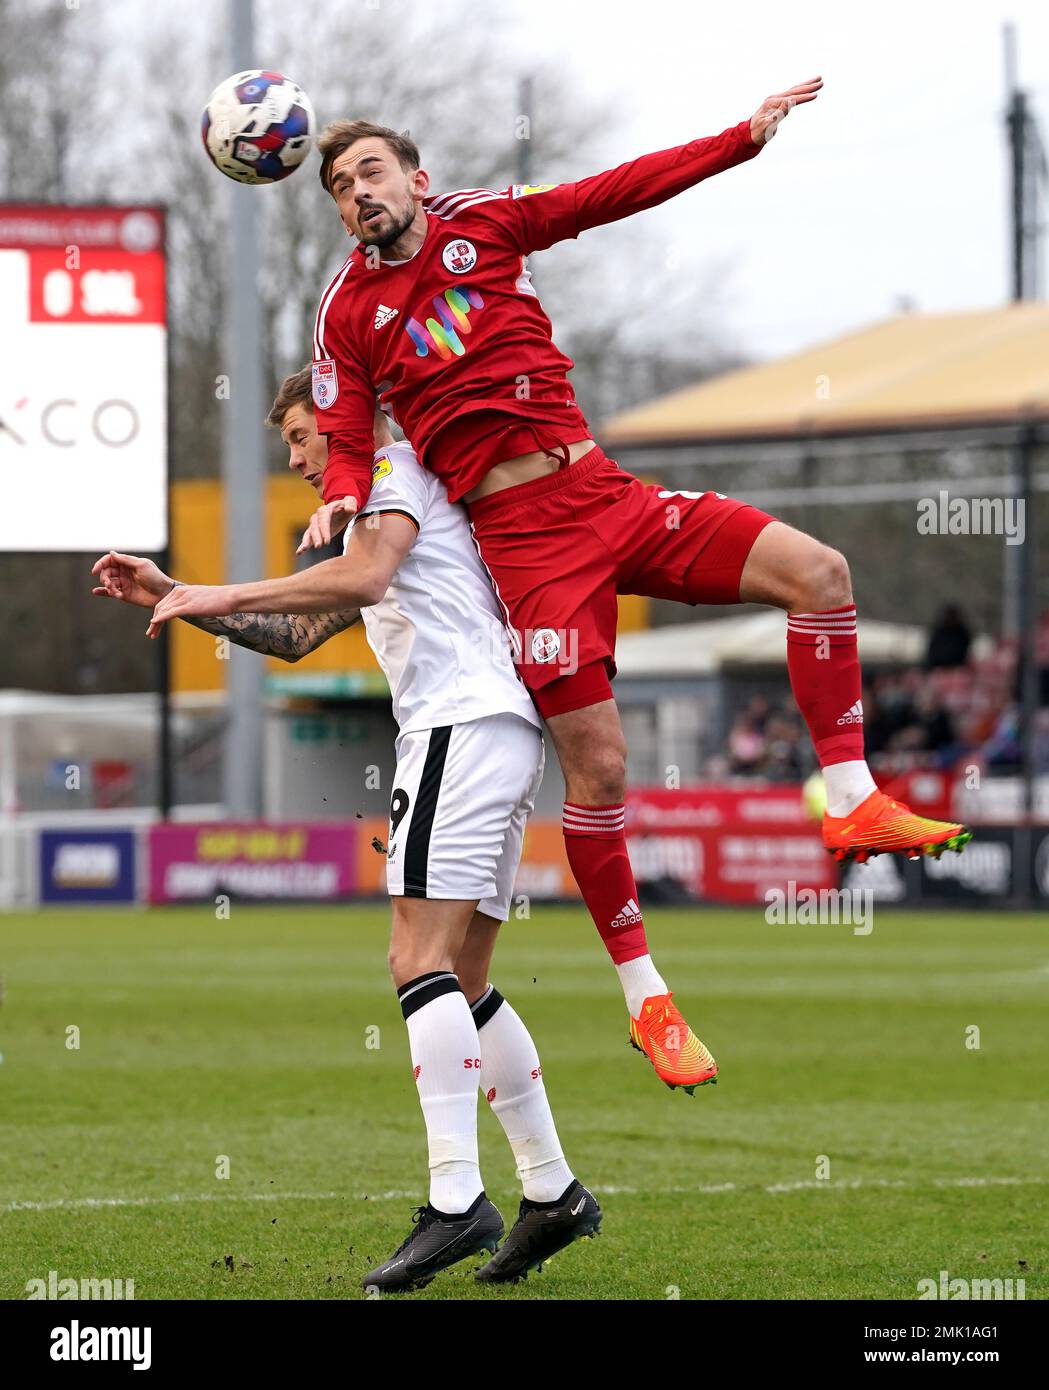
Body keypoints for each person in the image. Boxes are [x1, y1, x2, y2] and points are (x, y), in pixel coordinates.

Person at [293, 87, 972, 1092]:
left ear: (416, 179)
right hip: (522, 543)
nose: (358, 193)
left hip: (606, 492)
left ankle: (852, 797)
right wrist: (340, 501)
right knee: (600, 769)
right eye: (341, 186)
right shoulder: (348, 312)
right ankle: (646, 999)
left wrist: (734, 143)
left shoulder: (486, 222)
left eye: (371, 172)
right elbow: (346, 434)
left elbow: (610, 193)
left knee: (819, 572)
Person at [93, 369, 600, 1292]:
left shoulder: (397, 472)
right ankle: (552, 1190)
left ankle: (456, 1200)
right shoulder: (376, 506)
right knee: (467, 974)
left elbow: (360, 577)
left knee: (417, 961)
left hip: (458, 726)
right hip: (492, 727)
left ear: (345, 424)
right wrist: (174, 588)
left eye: (300, 437)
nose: (292, 458)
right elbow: (299, 632)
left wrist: (203, 596)